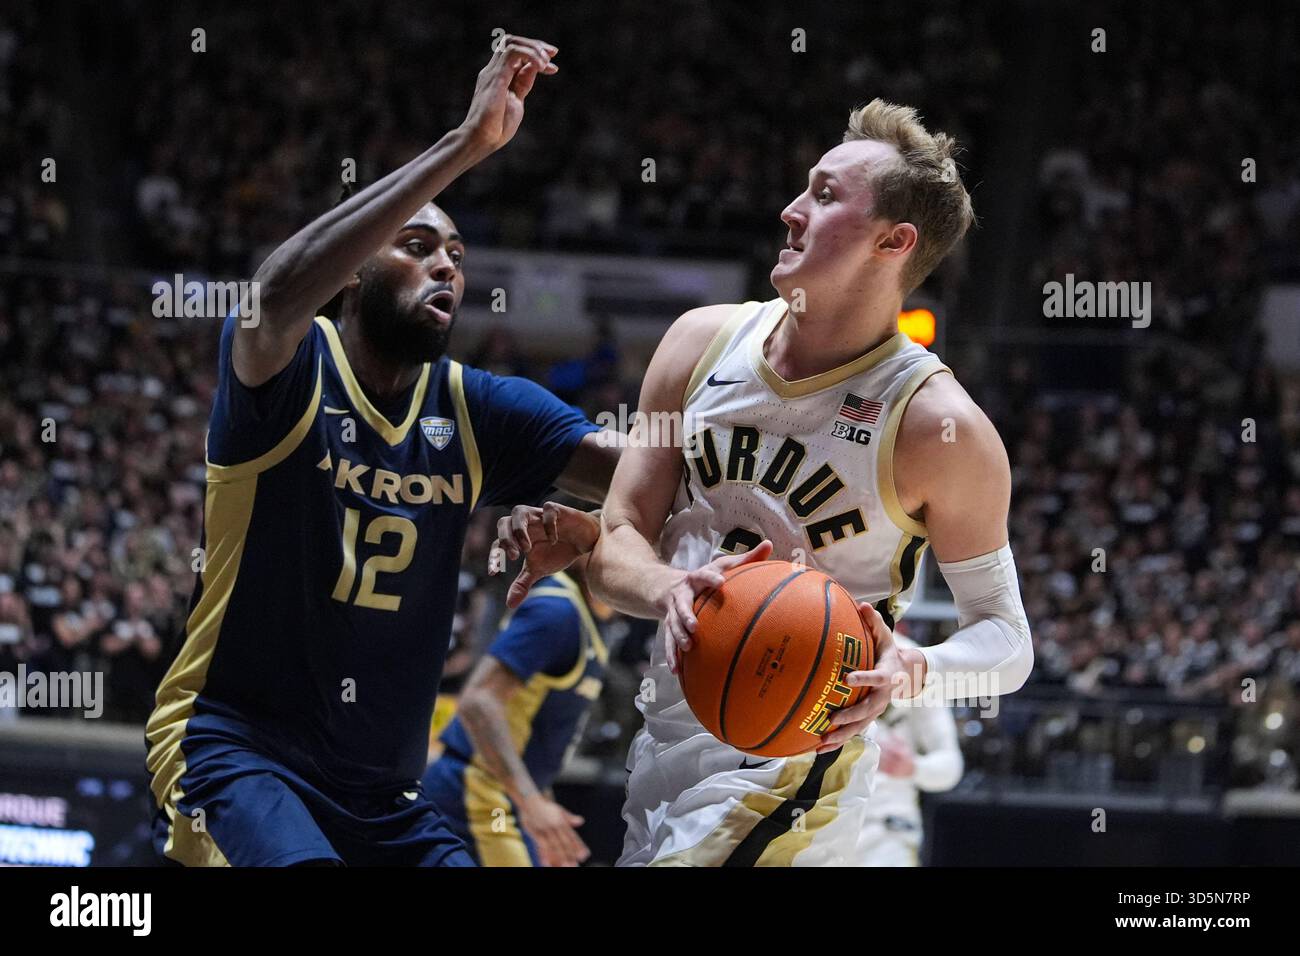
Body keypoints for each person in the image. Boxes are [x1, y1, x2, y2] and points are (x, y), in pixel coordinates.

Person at [146, 35, 615, 866]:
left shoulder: (479, 408)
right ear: (355, 271)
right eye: (416, 246)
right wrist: (464, 147)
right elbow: (267, 302)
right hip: (236, 755)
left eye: (457, 258)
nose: (445, 268)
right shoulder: (289, 369)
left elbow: (639, 470)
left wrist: (598, 528)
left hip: (384, 797)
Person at [586, 100, 1033, 866]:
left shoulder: (938, 427)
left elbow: (1007, 641)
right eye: (805, 188)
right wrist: (665, 587)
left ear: (895, 242)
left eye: (825, 196)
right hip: (665, 736)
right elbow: (616, 537)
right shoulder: (699, 342)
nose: (791, 211)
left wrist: (913, 669)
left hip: (794, 767)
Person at [423, 554, 606, 866]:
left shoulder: (585, 616)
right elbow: (478, 702)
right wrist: (531, 802)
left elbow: (531, 729)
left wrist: (541, 804)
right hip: (479, 794)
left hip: (506, 796)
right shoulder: (556, 612)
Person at [854, 634, 963, 866]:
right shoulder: (817, 641)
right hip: (815, 824)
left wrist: (912, 767)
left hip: (885, 833)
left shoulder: (913, 659)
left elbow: (951, 766)